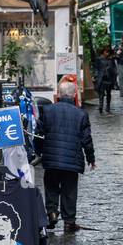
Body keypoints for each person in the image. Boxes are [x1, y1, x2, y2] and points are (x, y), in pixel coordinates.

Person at [33, 78, 95, 233]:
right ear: (74, 95)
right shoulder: (81, 114)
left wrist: (40, 152)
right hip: (72, 160)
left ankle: (52, 213)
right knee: (69, 190)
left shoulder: (47, 111)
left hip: (52, 158)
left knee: (51, 186)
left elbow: (39, 134)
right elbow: (86, 139)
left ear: (58, 95)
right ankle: (69, 221)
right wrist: (91, 158)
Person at [94, 45, 117, 113]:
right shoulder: (99, 59)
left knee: (108, 93)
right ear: (103, 52)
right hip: (102, 78)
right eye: (106, 52)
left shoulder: (111, 60)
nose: (107, 53)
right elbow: (96, 68)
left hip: (109, 78)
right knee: (101, 93)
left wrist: (114, 75)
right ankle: (101, 105)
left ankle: (108, 106)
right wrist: (96, 76)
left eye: (108, 52)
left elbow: (114, 68)